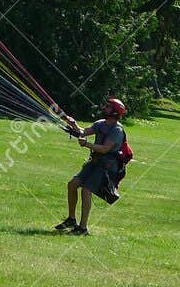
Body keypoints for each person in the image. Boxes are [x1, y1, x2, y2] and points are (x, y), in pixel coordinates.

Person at [55, 97, 130, 235]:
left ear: (114, 112)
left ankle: (83, 228)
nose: (105, 108)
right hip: (95, 162)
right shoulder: (101, 123)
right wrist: (73, 124)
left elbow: (104, 149)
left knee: (86, 191)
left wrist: (86, 144)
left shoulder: (117, 130)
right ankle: (71, 219)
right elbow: (84, 132)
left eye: (108, 106)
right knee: (72, 184)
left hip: (107, 166)